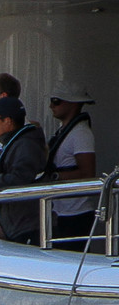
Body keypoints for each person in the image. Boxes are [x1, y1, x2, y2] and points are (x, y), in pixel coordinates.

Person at [0, 96, 49, 245]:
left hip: (28, 228)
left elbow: (19, 179)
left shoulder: (26, 145)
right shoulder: (16, 143)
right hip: (17, 226)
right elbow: (4, 177)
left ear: (7, 121)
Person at [44, 83, 98, 247]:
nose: (51, 106)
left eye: (56, 101)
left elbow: (88, 173)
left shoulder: (81, 133)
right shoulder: (64, 131)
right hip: (60, 211)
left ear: (73, 103)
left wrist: (55, 176)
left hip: (76, 213)